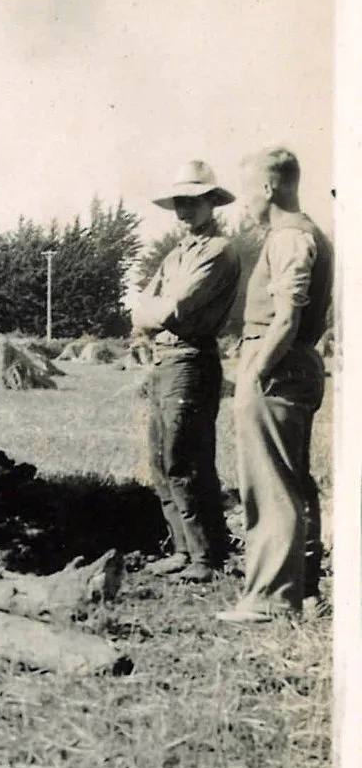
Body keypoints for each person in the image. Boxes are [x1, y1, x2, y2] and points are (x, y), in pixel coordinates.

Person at [217, 146, 334, 623]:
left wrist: (256, 371)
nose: (244, 204)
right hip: (294, 365)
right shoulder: (308, 234)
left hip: (277, 365)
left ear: (268, 188)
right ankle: (303, 591)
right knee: (293, 481)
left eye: (247, 192)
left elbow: (286, 317)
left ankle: (269, 600)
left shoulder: (288, 237)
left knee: (269, 485)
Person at [132, 160, 242, 583]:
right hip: (165, 360)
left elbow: (176, 307)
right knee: (161, 459)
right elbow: (144, 306)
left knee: (185, 457)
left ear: (213, 201)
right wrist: (151, 313)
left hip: (191, 359)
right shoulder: (179, 252)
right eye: (180, 201)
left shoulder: (218, 250)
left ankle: (205, 556)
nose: (185, 209)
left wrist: (154, 312)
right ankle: (183, 549)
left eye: (194, 201)